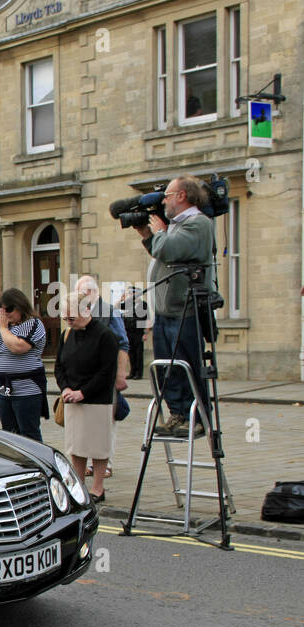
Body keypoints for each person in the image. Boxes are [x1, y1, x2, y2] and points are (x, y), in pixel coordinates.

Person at [134, 175, 214, 438]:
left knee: (188, 365)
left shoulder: (198, 223)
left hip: (185, 310)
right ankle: (177, 413)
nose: (163, 201)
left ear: (182, 196)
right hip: (166, 311)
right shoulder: (176, 225)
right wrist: (147, 234)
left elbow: (170, 249)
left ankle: (200, 416)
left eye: (167, 195)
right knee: (166, 367)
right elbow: (162, 253)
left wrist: (159, 232)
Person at [56, 292, 118, 503]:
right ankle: (79, 485)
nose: (68, 322)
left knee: (98, 447)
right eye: (65, 318)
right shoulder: (66, 335)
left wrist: (83, 392)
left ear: (86, 310)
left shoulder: (105, 335)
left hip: (96, 399)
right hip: (72, 399)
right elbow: (59, 367)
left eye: (71, 317)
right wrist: (65, 388)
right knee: (77, 446)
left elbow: (106, 371)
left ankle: (98, 488)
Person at [74, 274, 129, 478]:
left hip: (105, 376)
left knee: (106, 423)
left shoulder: (109, 312)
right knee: (86, 424)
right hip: (85, 377)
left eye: (80, 293)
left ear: (89, 293)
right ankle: (89, 463)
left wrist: (120, 375)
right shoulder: (82, 312)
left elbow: (122, 344)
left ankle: (106, 464)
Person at [0, 288, 47, 442]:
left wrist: (3, 328)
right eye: (1, 310)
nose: (5, 314)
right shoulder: (4, 329)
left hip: (26, 390)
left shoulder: (33, 324)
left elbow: (17, 347)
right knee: (10, 435)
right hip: (5, 390)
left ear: (20, 306)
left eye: (9, 309)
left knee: (29, 434)